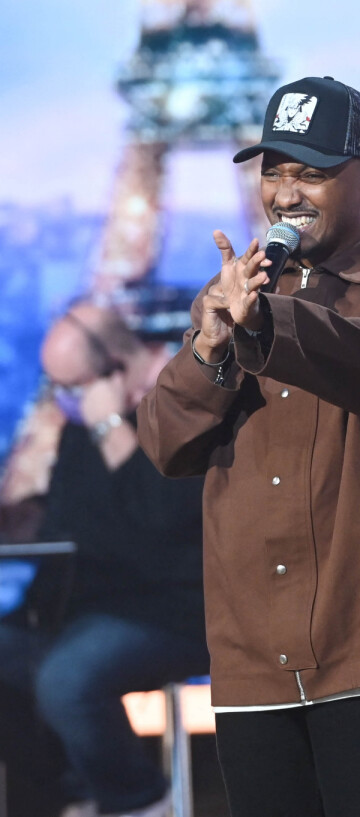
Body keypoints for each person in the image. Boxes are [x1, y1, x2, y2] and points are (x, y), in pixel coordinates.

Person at [136, 76, 360, 817]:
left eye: (311, 173)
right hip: (253, 656)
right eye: (274, 171)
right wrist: (214, 342)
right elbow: (164, 442)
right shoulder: (230, 292)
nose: (286, 194)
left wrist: (267, 325)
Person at [0, 303, 208, 817]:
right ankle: (70, 793)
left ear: (115, 367)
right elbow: (72, 522)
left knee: (67, 677)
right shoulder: (81, 429)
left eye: (70, 385)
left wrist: (112, 425)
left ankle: (138, 801)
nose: (61, 399)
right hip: (92, 604)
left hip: (178, 610)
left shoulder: (184, 403)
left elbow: (165, 517)